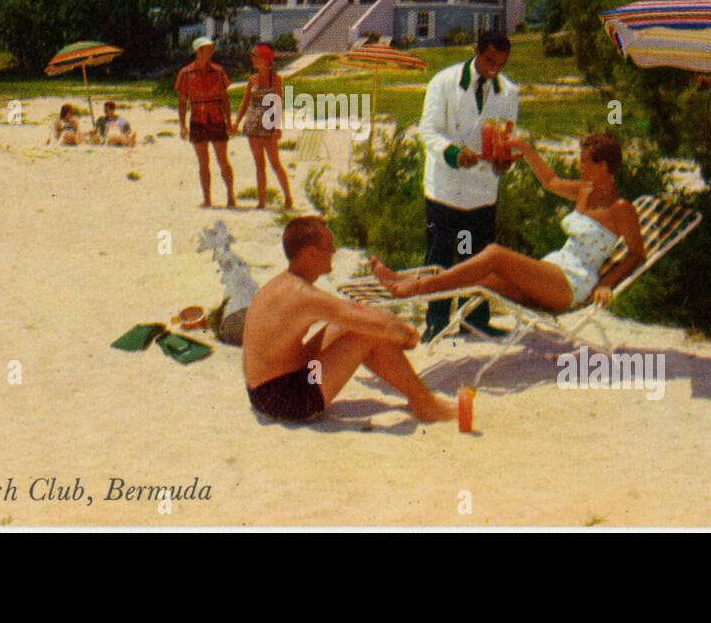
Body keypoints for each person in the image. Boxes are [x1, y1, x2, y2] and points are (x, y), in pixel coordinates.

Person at [371, 133, 646, 313]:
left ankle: (417, 288)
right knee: (483, 279)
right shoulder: (585, 191)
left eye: (585, 162)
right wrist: (526, 149)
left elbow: (636, 253)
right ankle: (411, 281)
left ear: (604, 166)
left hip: (573, 284)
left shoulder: (621, 209)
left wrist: (606, 283)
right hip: (551, 270)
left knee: (494, 254)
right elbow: (550, 181)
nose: (579, 167)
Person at [244, 216, 456, 424]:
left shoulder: (284, 283)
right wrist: (407, 334)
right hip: (282, 400)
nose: (334, 251)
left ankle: (422, 400)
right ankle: (425, 403)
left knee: (350, 322)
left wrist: (398, 328)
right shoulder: (303, 295)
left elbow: (353, 311)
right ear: (311, 253)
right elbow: (380, 326)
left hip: (265, 390)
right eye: (329, 246)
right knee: (368, 332)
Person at [417, 30, 520, 341]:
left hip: (482, 190)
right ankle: (435, 321)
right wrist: (453, 153)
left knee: (478, 261)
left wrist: (505, 161)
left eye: (500, 64)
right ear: (476, 50)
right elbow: (428, 130)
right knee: (440, 258)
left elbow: (505, 137)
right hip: (445, 188)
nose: (494, 69)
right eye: (489, 61)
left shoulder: (510, 92)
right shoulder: (444, 81)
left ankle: (475, 319)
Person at [175, 36, 235, 208]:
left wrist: (229, 121)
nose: (211, 52)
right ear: (198, 51)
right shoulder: (186, 73)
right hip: (197, 119)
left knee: (223, 160)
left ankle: (230, 195)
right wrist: (182, 125)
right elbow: (181, 102)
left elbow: (225, 98)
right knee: (203, 162)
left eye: (211, 48)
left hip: (216, 117)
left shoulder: (218, 71)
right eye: (207, 49)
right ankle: (207, 198)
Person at [232, 43, 294, 209]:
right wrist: (236, 122)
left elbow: (278, 103)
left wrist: (277, 127)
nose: (252, 59)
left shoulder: (276, 79)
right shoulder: (252, 79)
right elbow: (245, 103)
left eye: (255, 56)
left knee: (275, 163)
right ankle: (261, 201)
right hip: (252, 124)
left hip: (268, 125)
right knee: (259, 164)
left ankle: (288, 197)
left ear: (265, 59)